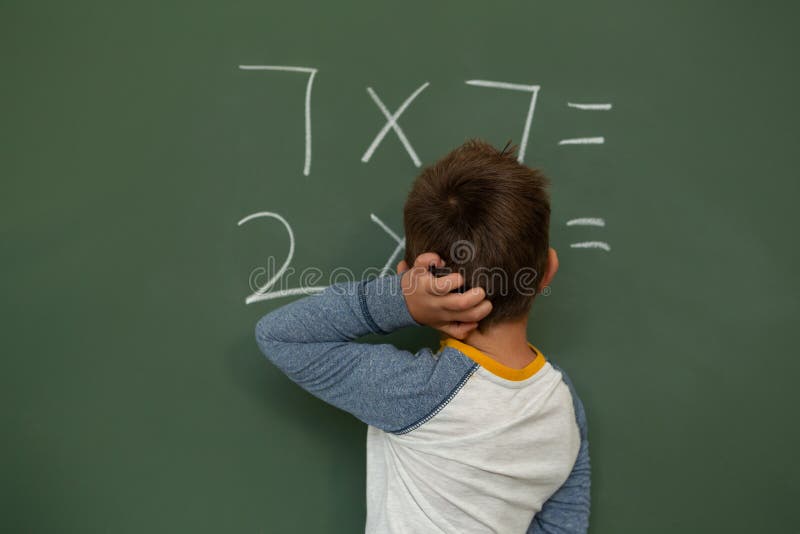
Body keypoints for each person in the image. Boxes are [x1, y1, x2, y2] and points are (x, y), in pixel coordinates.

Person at [255, 139, 591, 533]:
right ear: (547, 270)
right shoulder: (563, 405)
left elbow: (281, 337)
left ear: (414, 275)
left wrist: (400, 301)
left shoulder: (419, 392)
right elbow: (562, 527)